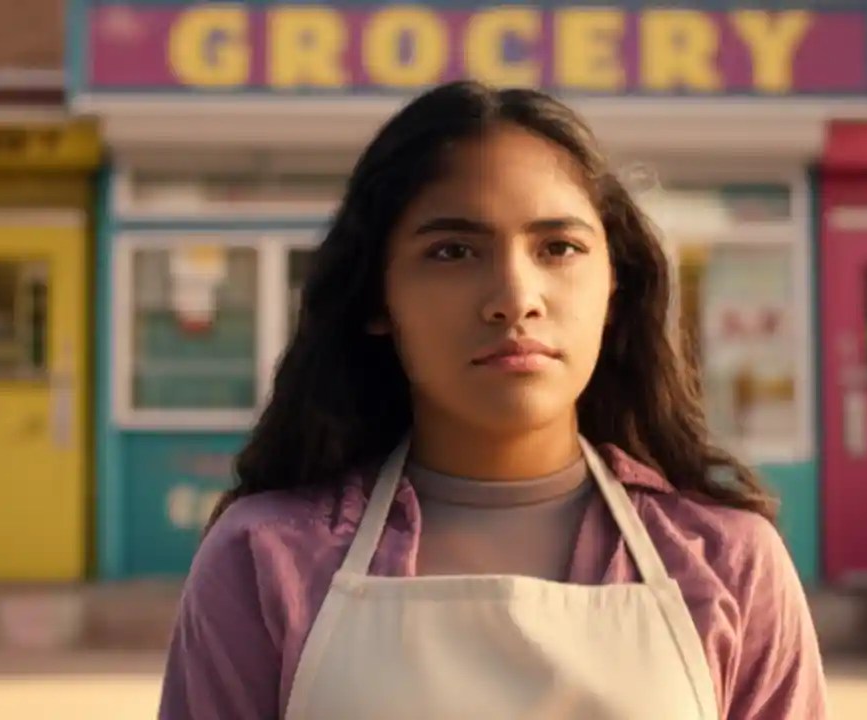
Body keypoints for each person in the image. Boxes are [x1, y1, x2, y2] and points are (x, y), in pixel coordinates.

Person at [158, 81, 826, 719]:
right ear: (375, 298)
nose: (515, 297)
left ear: (613, 291)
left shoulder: (727, 564)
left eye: (558, 247)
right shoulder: (265, 560)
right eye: (453, 251)